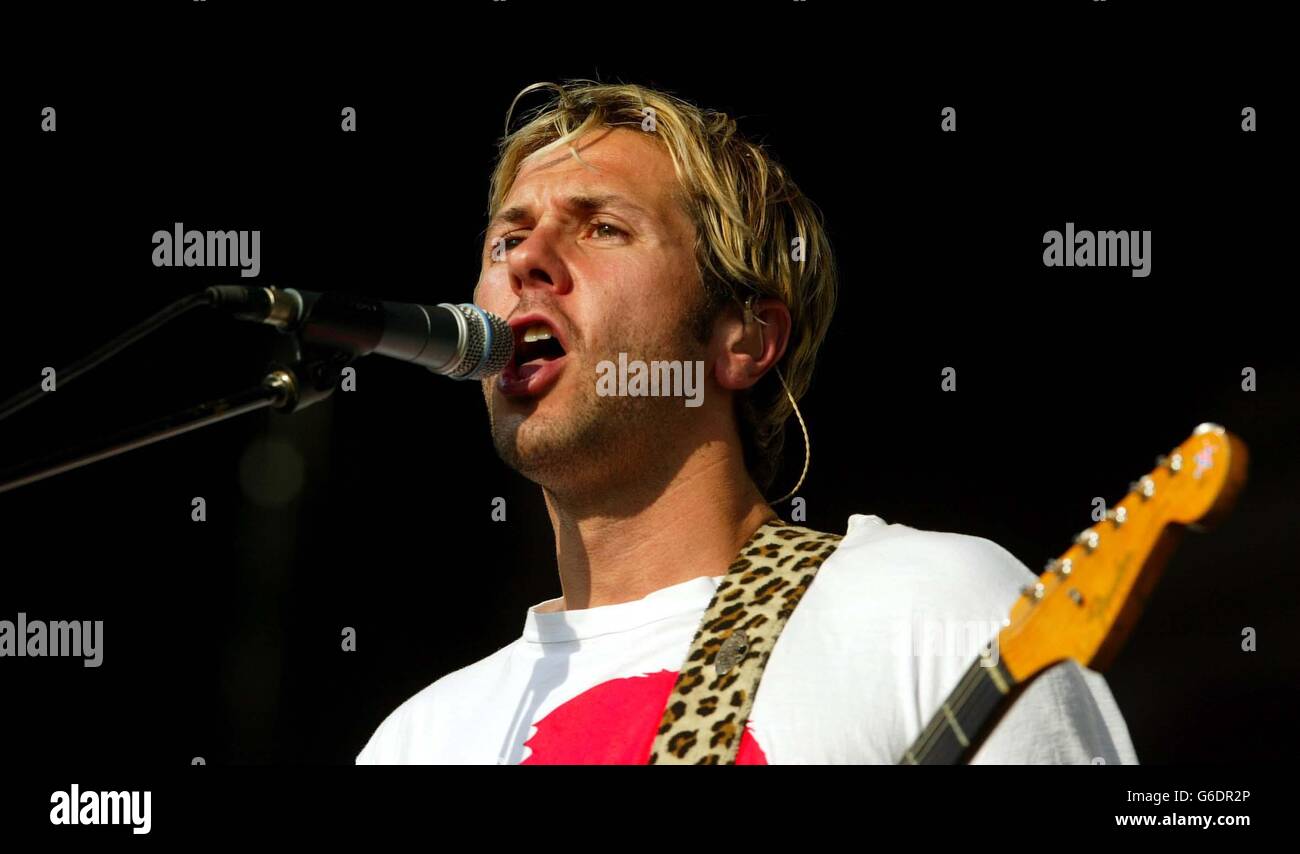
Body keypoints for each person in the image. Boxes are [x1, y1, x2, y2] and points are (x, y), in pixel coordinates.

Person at [356, 80, 1137, 765]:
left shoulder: (929, 610)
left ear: (744, 340)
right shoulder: (419, 741)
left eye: (602, 227)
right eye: (507, 237)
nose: (528, 259)